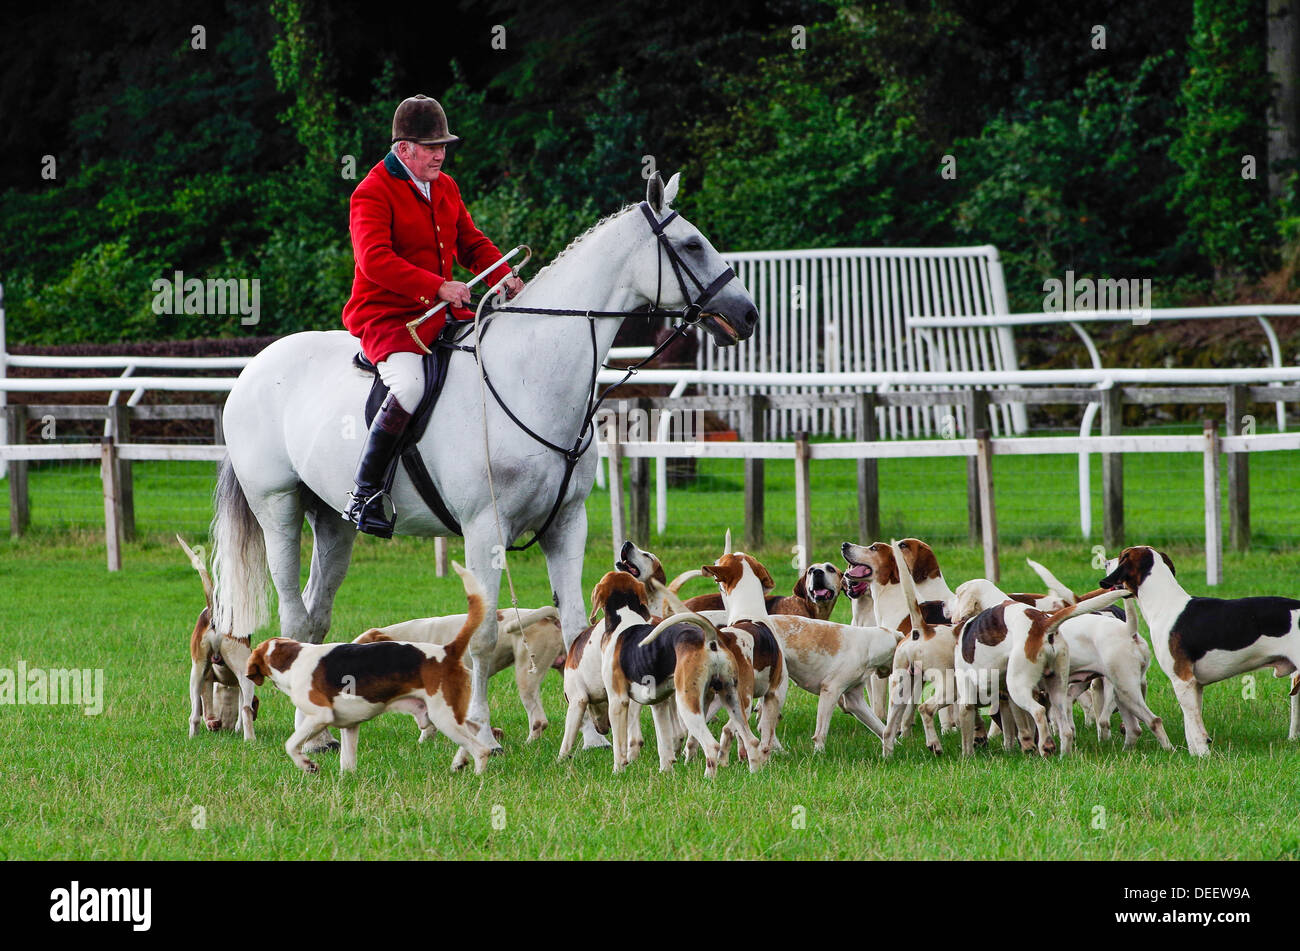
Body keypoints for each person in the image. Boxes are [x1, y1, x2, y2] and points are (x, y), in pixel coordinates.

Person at [341, 95, 523, 536]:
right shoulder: (371, 192)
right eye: (431, 146)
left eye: (443, 145)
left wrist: (503, 276)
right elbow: (374, 260)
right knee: (410, 385)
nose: (440, 153)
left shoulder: (445, 186)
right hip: (389, 315)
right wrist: (436, 286)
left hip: (440, 312)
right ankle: (365, 493)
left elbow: (470, 242)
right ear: (404, 149)